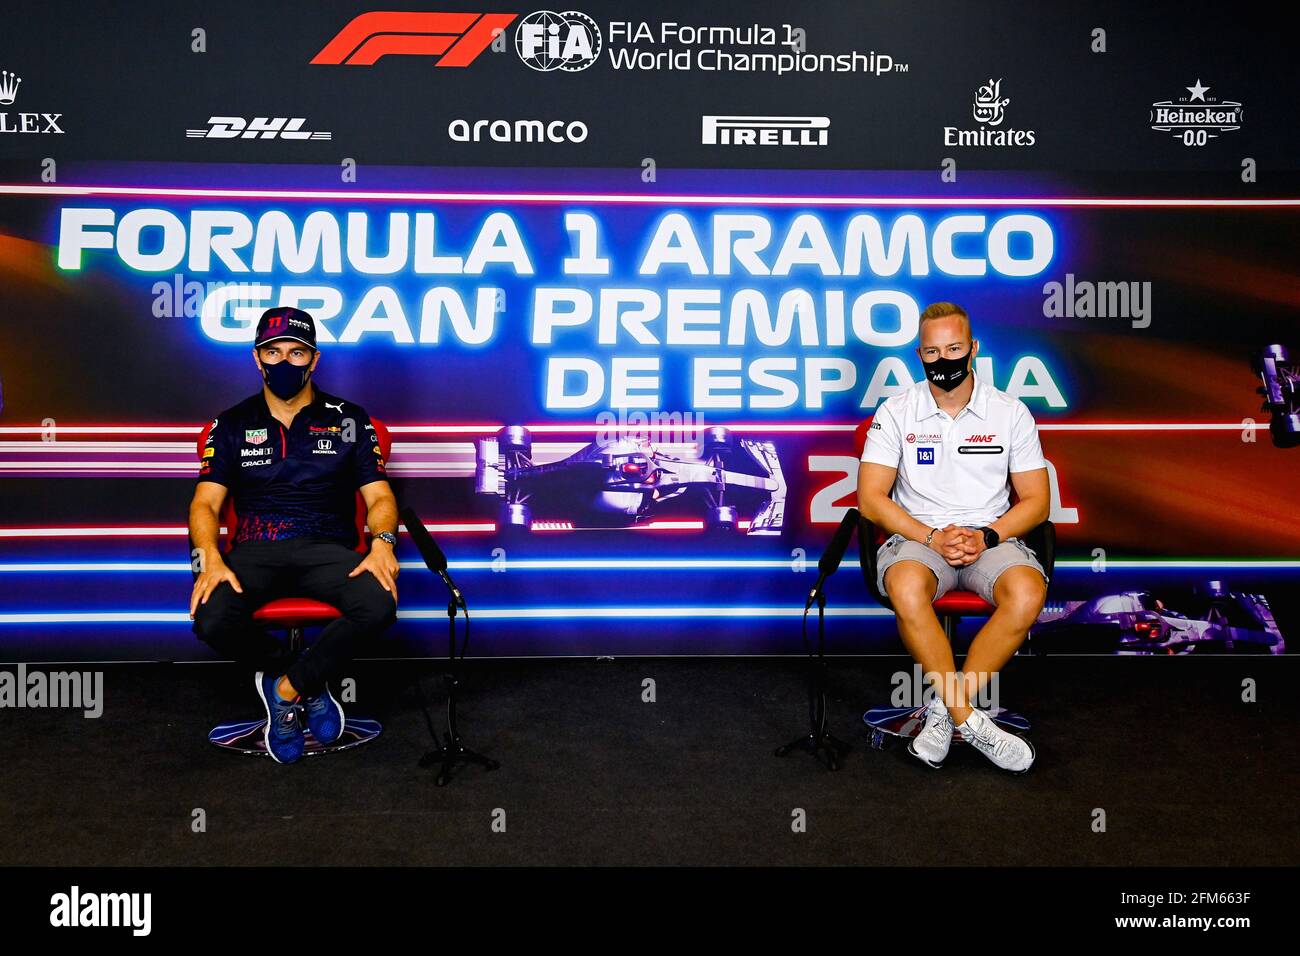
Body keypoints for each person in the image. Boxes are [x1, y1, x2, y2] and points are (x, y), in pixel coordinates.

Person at [189, 307, 400, 764]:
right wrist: (208, 554)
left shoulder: (349, 419)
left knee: (379, 603)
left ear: (314, 359)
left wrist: (383, 544)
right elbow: (205, 503)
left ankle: (285, 689)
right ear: (257, 358)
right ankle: (307, 679)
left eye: (297, 352)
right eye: (274, 351)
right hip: (255, 551)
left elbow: (380, 497)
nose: (285, 362)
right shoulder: (231, 423)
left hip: (329, 549)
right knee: (211, 617)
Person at [857, 302, 1050, 773]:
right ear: (919, 355)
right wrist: (931, 536)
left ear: (973, 349)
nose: (944, 360)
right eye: (932, 352)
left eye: (954, 349)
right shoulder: (896, 411)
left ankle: (945, 710)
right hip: (920, 539)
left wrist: (986, 536)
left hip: (990, 537)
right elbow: (871, 499)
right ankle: (973, 721)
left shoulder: (1010, 412)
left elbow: (1037, 502)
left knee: (1027, 592)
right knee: (905, 587)